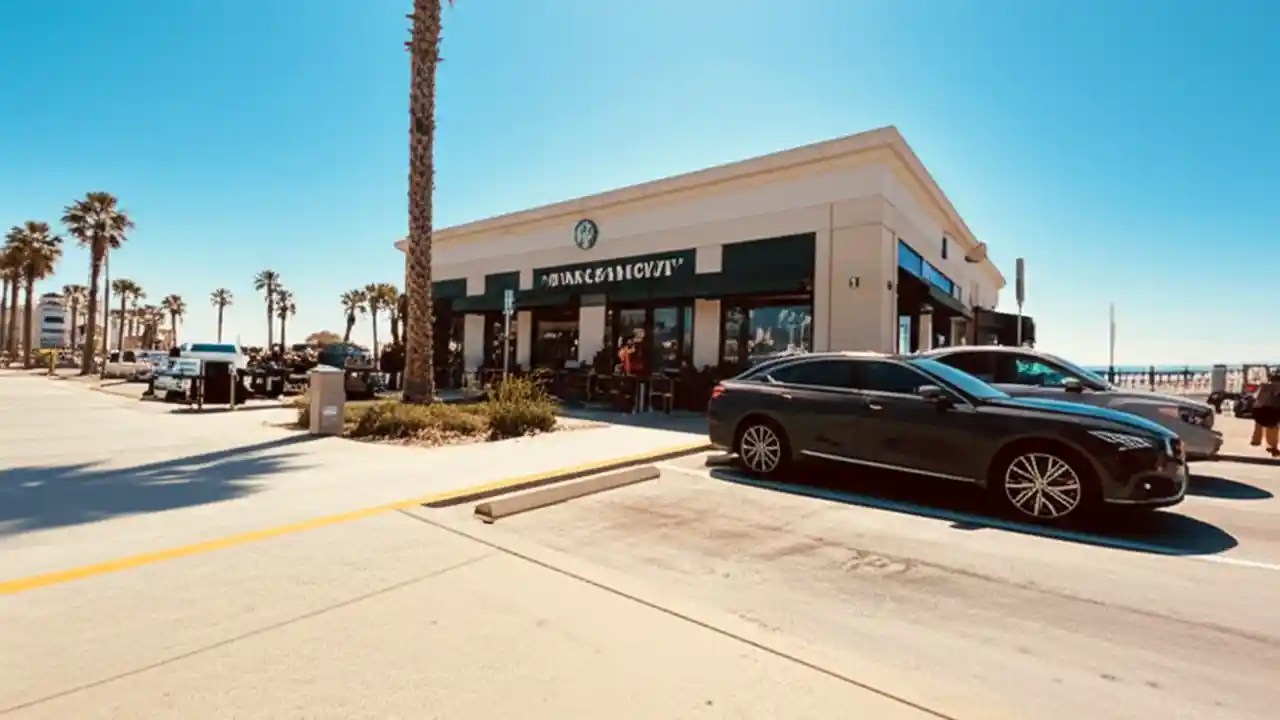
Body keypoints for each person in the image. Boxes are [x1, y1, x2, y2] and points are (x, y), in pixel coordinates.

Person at [1250, 369, 1280, 456]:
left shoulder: (1264, 385)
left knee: (1259, 424)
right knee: (1273, 427)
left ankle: (1256, 440)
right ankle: (1273, 446)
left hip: (1258, 410)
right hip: (1272, 411)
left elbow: (1257, 398)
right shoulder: (1277, 386)